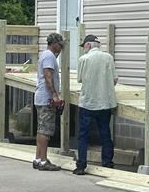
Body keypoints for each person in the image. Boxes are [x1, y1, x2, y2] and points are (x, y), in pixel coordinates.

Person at [74, 34, 118, 175]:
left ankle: (81, 166)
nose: (84, 49)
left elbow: (79, 79)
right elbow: (114, 80)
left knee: (83, 136)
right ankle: (107, 163)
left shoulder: (84, 59)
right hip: (105, 102)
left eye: (84, 46)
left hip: (87, 103)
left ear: (88, 45)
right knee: (105, 134)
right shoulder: (108, 58)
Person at [33, 32, 65, 171]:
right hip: (46, 99)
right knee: (45, 131)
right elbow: (48, 75)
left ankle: (38, 159)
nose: (61, 48)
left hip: (41, 97)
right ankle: (44, 160)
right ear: (54, 44)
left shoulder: (46, 55)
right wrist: (54, 95)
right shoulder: (49, 56)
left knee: (41, 129)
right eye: (60, 45)